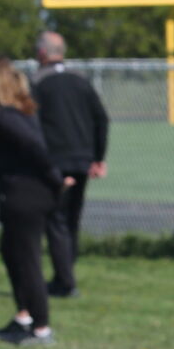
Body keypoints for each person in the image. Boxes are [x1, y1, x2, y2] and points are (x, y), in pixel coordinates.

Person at [0, 57, 65, 347]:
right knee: (12, 254)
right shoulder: (9, 112)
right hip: (14, 192)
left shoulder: (6, 116)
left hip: (26, 194)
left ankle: (41, 328)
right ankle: (24, 317)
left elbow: (35, 147)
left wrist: (55, 178)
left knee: (27, 260)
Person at [33, 31, 110, 299]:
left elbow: (32, 124)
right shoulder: (80, 80)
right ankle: (65, 275)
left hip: (54, 161)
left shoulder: (39, 82)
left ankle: (64, 282)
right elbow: (101, 118)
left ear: (42, 53)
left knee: (56, 220)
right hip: (81, 160)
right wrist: (98, 157)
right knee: (71, 220)